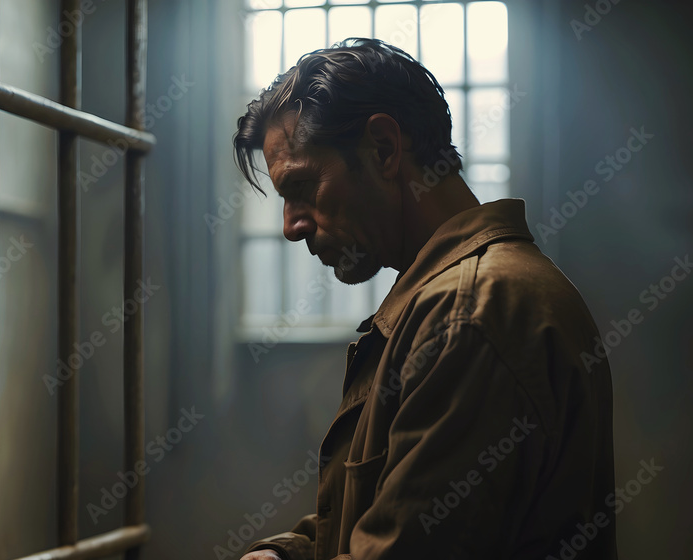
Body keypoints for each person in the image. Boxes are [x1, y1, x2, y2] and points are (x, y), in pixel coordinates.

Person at [231, 38, 617, 560]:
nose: (291, 227)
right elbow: (388, 508)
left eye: (301, 187)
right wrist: (288, 553)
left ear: (385, 149)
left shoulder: (470, 312)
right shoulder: (456, 297)